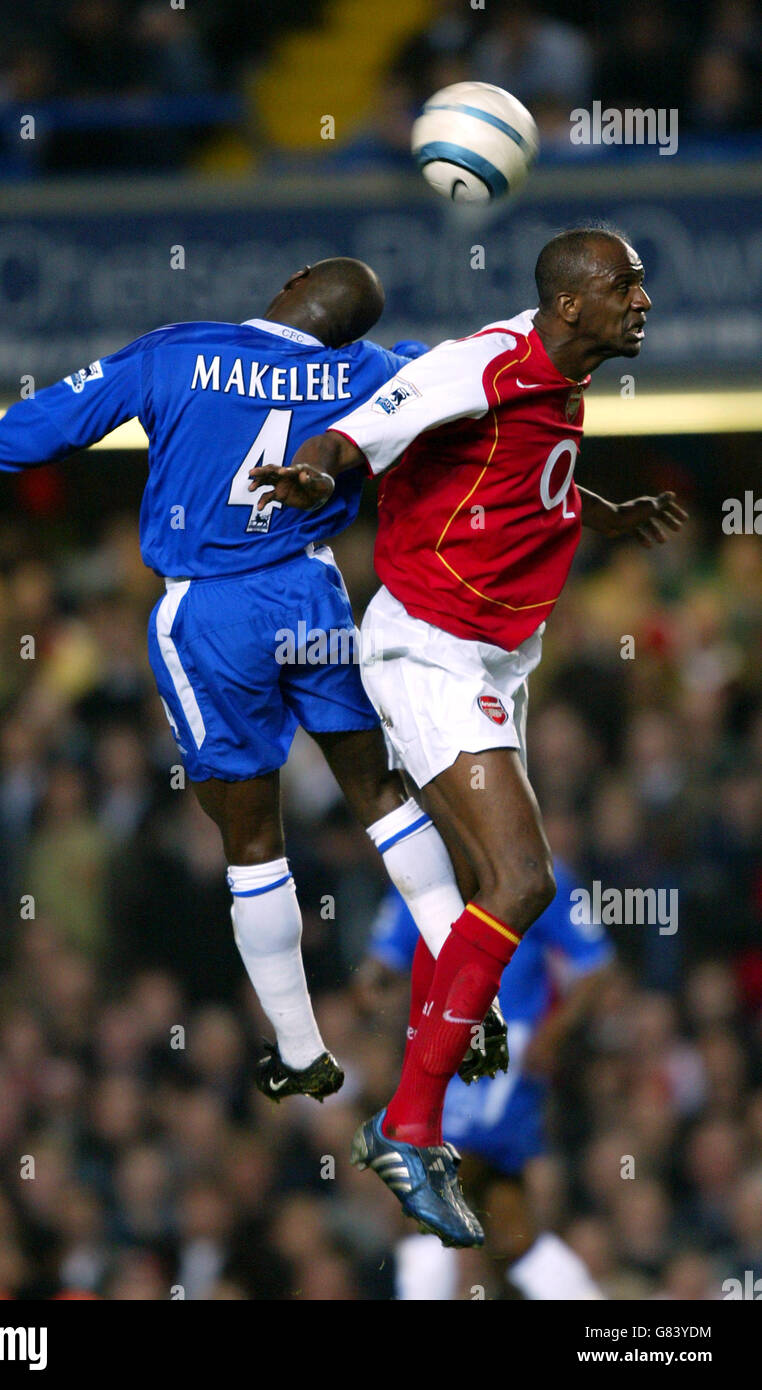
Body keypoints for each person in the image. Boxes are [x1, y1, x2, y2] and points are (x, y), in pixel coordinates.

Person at [0, 261, 502, 1174]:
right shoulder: (372, 371)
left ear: (294, 282)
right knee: (380, 793)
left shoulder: (179, 353)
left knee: (249, 835)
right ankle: (470, 986)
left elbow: (57, 425)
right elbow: (473, 389)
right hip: (311, 590)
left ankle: (304, 1053)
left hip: (209, 611)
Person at [248, 227, 688, 1239]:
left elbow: (499, 487)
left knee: (485, 880)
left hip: (491, 659)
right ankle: (406, 1124)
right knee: (521, 880)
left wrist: (594, 511)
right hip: (426, 647)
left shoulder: (554, 382)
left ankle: (426, 1080)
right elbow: (361, 430)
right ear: (568, 305)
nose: (642, 301)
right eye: (625, 286)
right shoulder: (479, 362)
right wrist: (317, 474)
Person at [360, 856, 613, 1299]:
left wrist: (553, 1033)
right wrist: (374, 996)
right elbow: (380, 967)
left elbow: (595, 965)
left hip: (504, 1053)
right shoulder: (421, 870)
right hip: (438, 1055)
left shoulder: (532, 868)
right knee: (508, 1227)